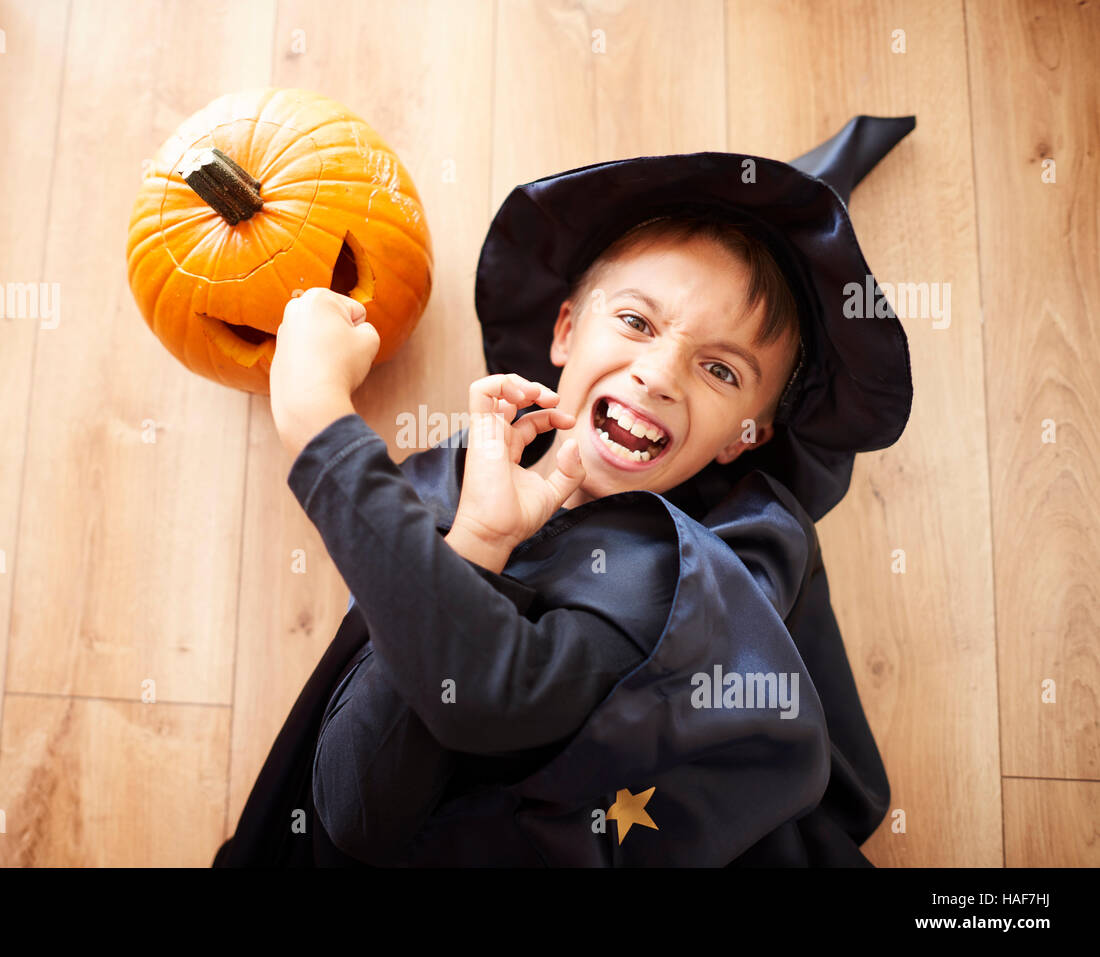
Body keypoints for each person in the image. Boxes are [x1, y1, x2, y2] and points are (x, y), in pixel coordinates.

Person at [214, 114, 916, 867]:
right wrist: (477, 544)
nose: (659, 373)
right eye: (636, 320)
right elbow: (357, 810)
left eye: (721, 370)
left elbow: (491, 690)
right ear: (565, 331)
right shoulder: (452, 485)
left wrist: (321, 424)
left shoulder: (731, 562)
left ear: (746, 436)